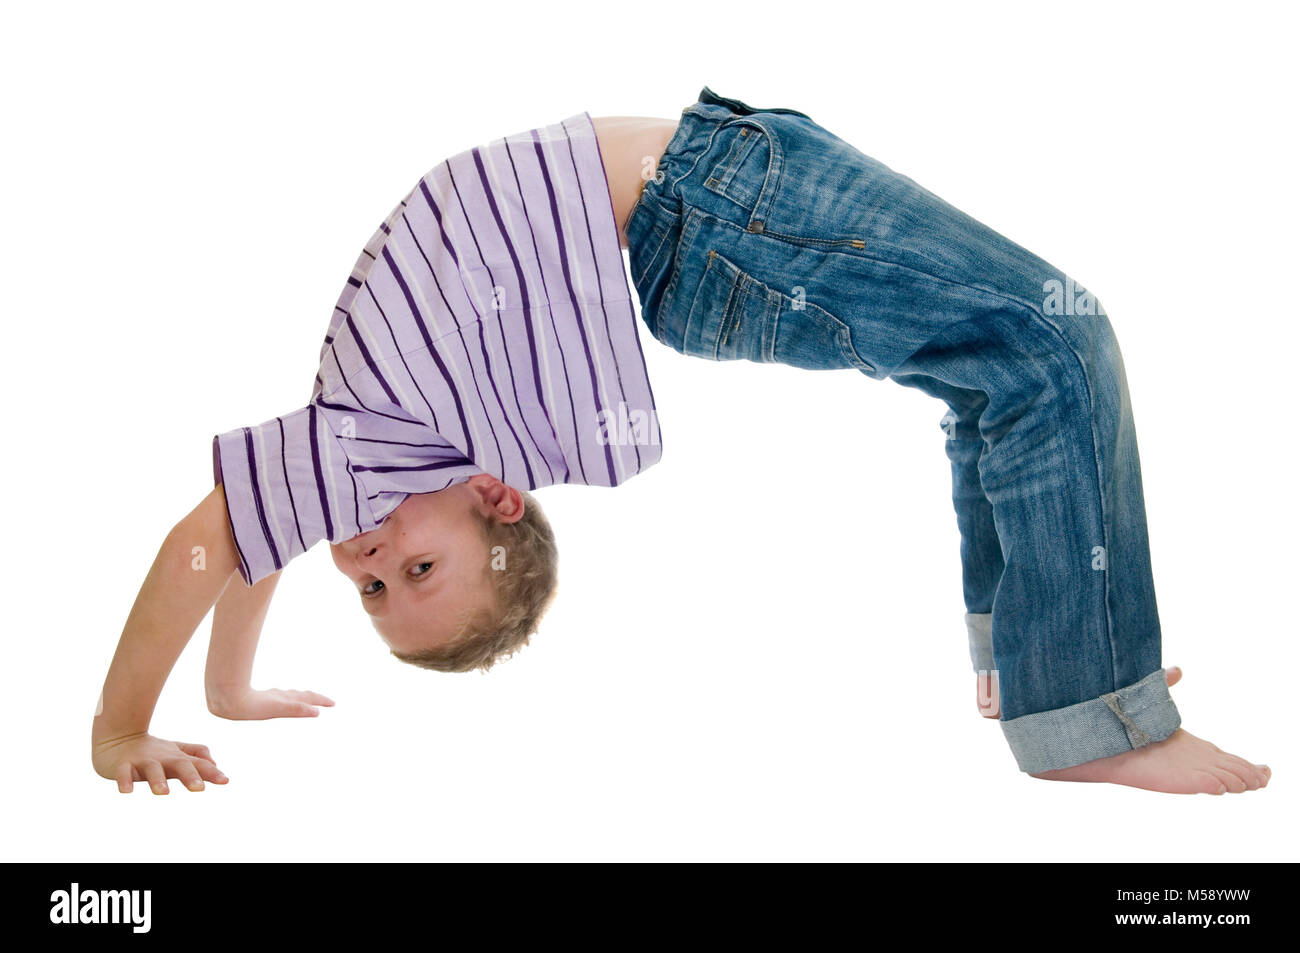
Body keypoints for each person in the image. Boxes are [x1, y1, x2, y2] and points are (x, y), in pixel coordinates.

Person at [91, 87, 1269, 797]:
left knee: (997, 369)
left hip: (712, 200)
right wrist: (122, 733)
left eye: (381, 588)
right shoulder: (387, 451)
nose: (372, 562)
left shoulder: (362, 450)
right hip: (714, 210)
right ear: (497, 497)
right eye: (416, 578)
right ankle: (1084, 717)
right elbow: (232, 537)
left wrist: (222, 690)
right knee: (1051, 345)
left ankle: (1045, 656)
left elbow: (239, 538)